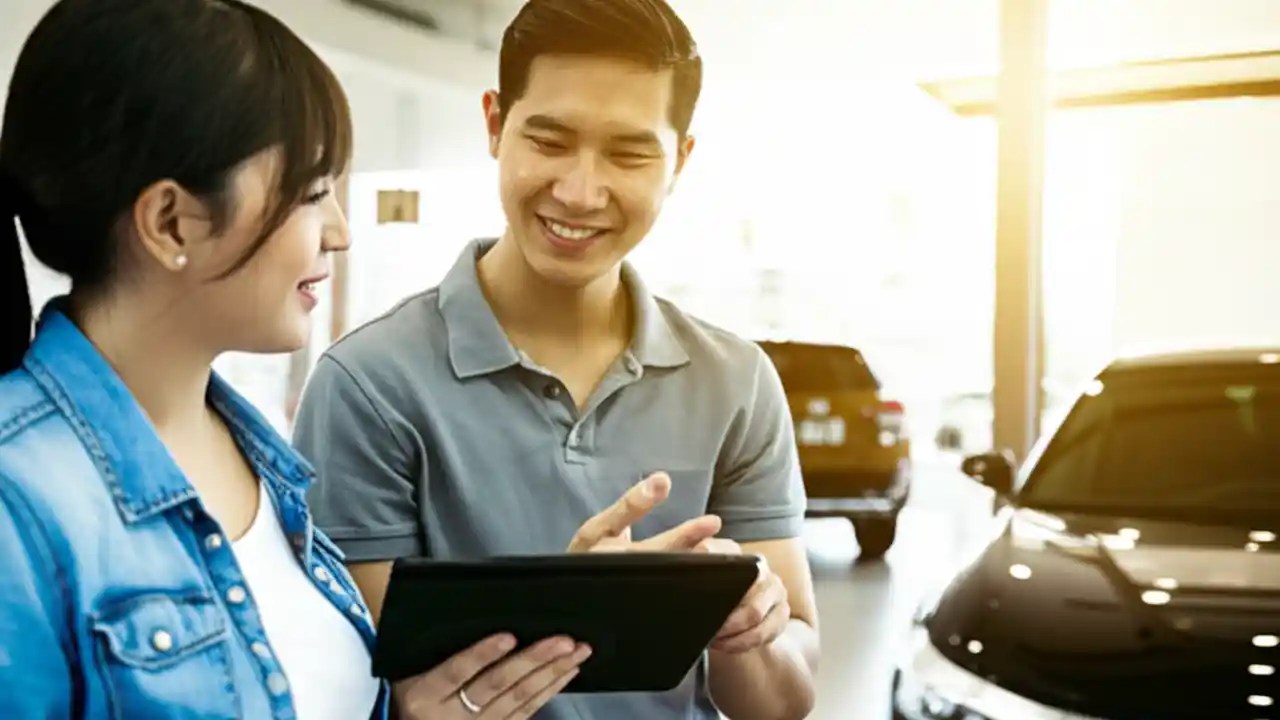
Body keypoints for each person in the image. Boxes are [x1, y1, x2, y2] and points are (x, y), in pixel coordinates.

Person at [0, 1, 708, 717]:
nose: (339, 232)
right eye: (311, 195)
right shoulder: (19, 499)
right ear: (171, 221)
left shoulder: (262, 464)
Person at [290, 1, 822, 718]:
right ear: (493, 125)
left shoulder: (737, 383)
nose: (579, 191)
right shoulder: (369, 386)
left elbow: (783, 703)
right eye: (550, 141)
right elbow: (364, 693)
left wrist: (745, 630)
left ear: (681, 161)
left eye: (629, 154)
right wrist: (575, 610)